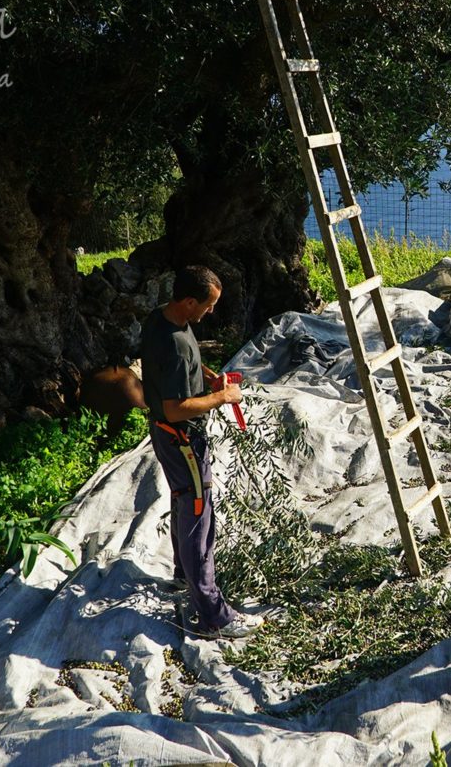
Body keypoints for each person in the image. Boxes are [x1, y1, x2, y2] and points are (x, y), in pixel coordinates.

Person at [141, 265, 262, 640]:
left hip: (166, 436)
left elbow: (180, 367)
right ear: (190, 301)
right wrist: (222, 397)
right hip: (181, 439)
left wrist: (206, 376)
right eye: (207, 306)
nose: (210, 313)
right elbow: (176, 407)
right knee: (198, 514)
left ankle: (183, 576)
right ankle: (214, 616)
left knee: (182, 502)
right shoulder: (174, 342)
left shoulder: (162, 319)